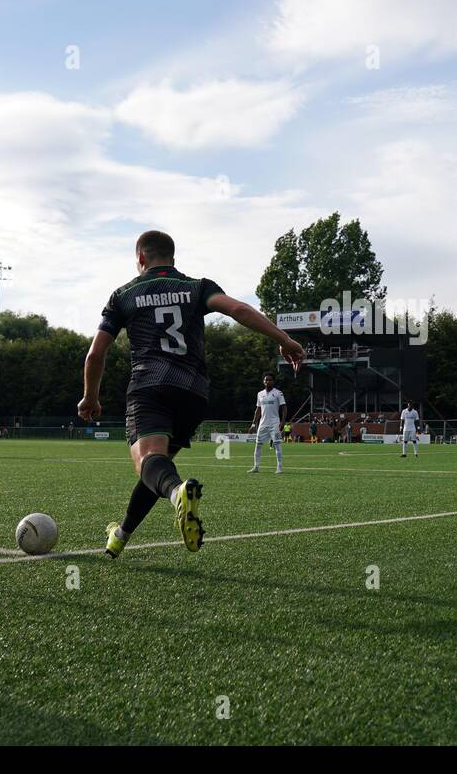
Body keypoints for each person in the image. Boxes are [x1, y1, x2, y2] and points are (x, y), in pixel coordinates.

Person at [78, 230, 304, 559]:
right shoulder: (197, 287)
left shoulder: (124, 295)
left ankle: (178, 495)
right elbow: (238, 309)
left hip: (150, 386)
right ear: (172, 257)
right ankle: (121, 535)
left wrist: (90, 397)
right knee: (158, 466)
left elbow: (95, 355)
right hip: (194, 392)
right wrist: (283, 339)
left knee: (147, 464)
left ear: (140, 257)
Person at [248, 372, 287, 474]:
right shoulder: (260, 394)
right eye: (266, 380)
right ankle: (256, 467)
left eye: (270, 380)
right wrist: (253, 424)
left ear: (273, 381)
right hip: (263, 424)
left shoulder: (278, 393)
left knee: (277, 445)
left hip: (274, 423)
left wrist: (283, 421)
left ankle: (279, 468)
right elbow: (258, 410)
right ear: (263, 381)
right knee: (258, 445)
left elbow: (284, 408)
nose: (268, 381)